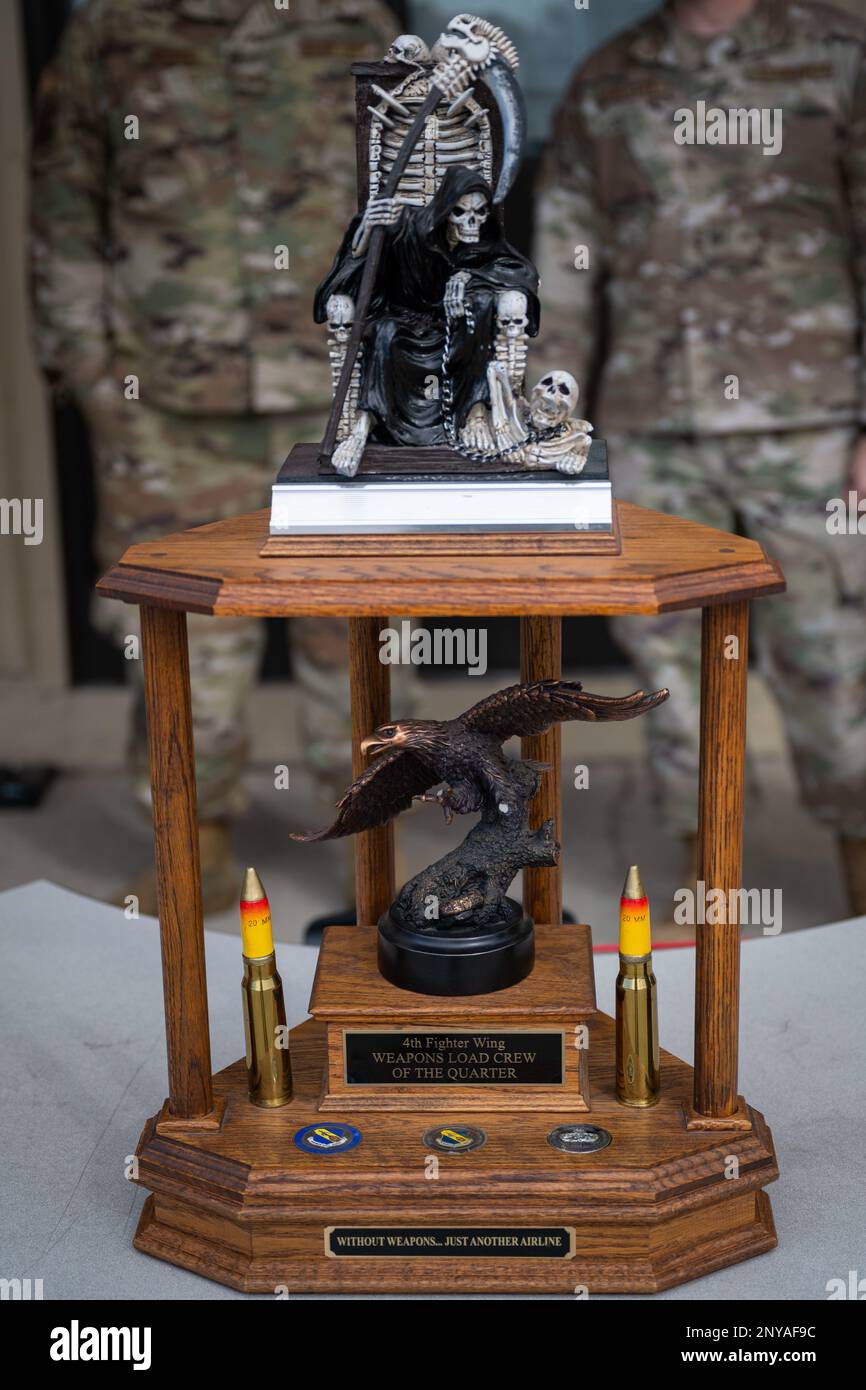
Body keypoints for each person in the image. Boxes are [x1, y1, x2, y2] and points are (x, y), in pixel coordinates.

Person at [30, 0, 399, 913]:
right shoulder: (115, 30)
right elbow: (67, 203)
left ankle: (376, 848)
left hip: (342, 389)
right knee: (179, 636)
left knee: (359, 626)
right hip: (163, 402)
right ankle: (188, 846)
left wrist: (411, 360)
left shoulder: (355, 20)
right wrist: (85, 368)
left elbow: (408, 205)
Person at [535, 0, 866, 916]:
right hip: (651, 422)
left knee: (835, 660)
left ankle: (861, 880)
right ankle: (709, 866)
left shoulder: (840, 51)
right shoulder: (610, 77)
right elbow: (565, 264)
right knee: (665, 667)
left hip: (809, 426)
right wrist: (548, 420)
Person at [315, 166, 540, 471]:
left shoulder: (482, 240)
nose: (472, 222)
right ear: (446, 209)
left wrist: (468, 277)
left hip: (455, 328)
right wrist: (368, 227)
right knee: (385, 332)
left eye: (481, 212)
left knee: (482, 303)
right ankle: (362, 428)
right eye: (461, 213)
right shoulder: (411, 228)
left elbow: (519, 271)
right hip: (406, 320)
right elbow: (361, 262)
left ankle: (474, 412)